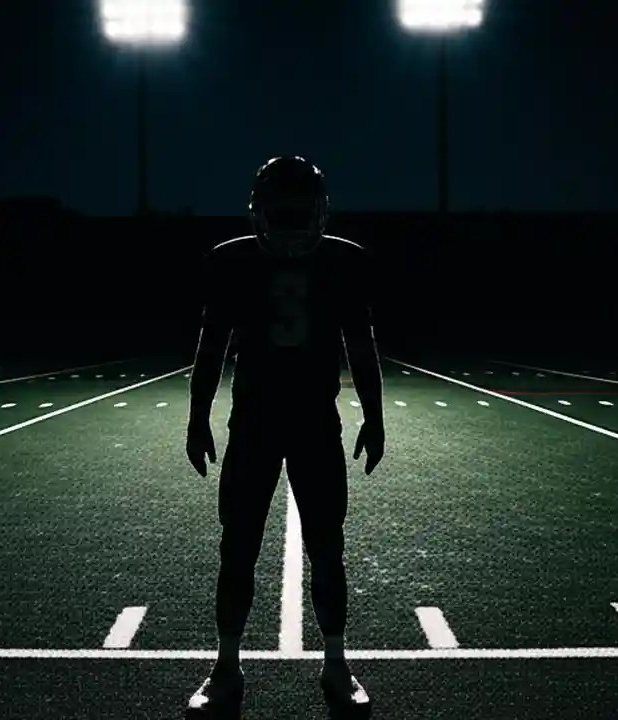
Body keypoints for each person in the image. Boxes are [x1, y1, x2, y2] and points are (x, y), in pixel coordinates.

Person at [184, 156, 385, 718]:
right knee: (238, 550)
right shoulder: (232, 263)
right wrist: (198, 417)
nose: (293, 228)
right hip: (255, 423)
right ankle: (226, 666)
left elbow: (360, 347)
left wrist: (375, 413)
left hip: (314, 424)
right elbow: (212, 347)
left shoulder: (341, 263)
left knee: (327, 549)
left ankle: (336, 664)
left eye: (300, 214)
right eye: (284, 214)